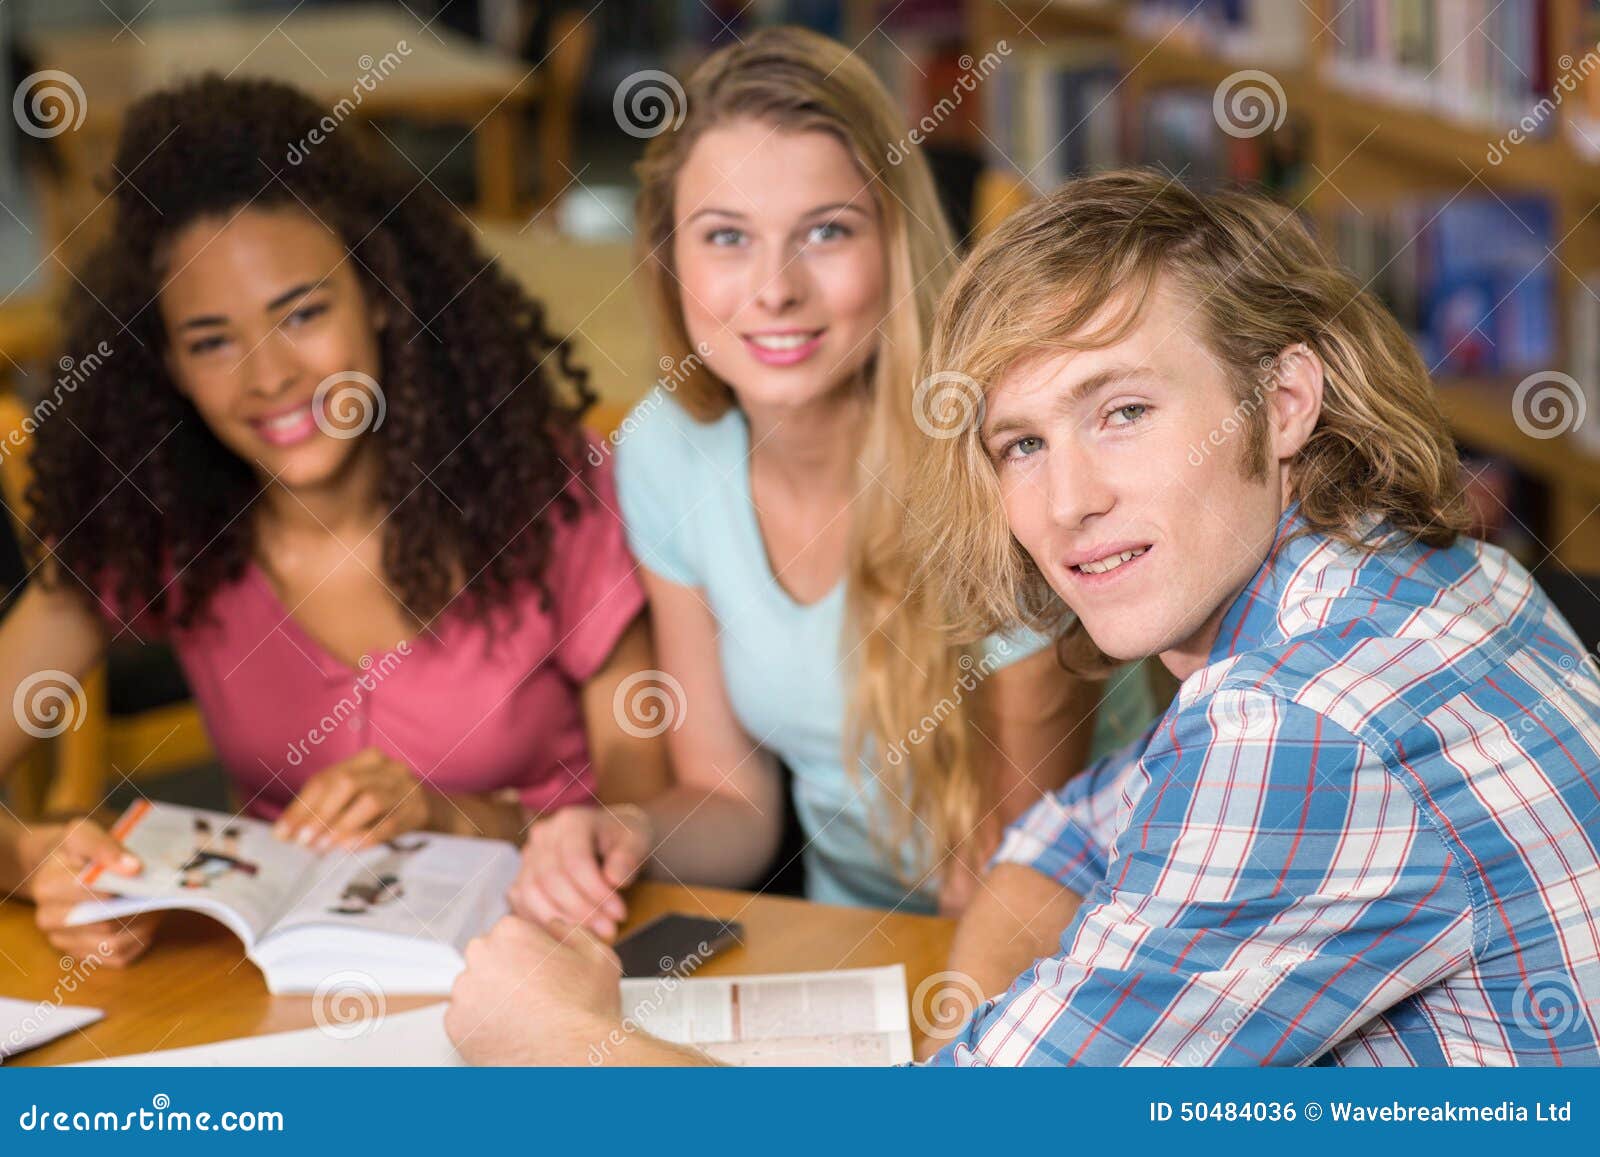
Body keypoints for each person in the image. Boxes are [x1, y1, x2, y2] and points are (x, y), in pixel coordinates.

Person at [445, 169, 1600, 1066]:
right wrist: (1024, 1008)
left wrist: (560, 1039)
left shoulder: (1299, 721)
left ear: (1283, 400)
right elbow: (1068, 837)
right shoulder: (1407, 574)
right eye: (1023, 444)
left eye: (1126, 411)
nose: (1068, 501)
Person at [0, 75, 666, 966]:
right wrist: (29, 852)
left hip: (560, 970)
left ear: (381, 295)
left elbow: (650, 815)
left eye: (303, 313)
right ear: (168, 366)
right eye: (212, 341)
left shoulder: (544, 490)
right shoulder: (157, 519)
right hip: (281, 1002)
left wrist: (453, 817)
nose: (269, 375)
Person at [508, 27, 1158, 934]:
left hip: (1080, 943)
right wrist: (619, 829)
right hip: (851, 946)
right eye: (726, 237)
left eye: (825, 231)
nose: (774, 289)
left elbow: (1018, 875)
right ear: (668, 258)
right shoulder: (667, 448)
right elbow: (735, 810)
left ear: (895, 240)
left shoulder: (1000, 451)